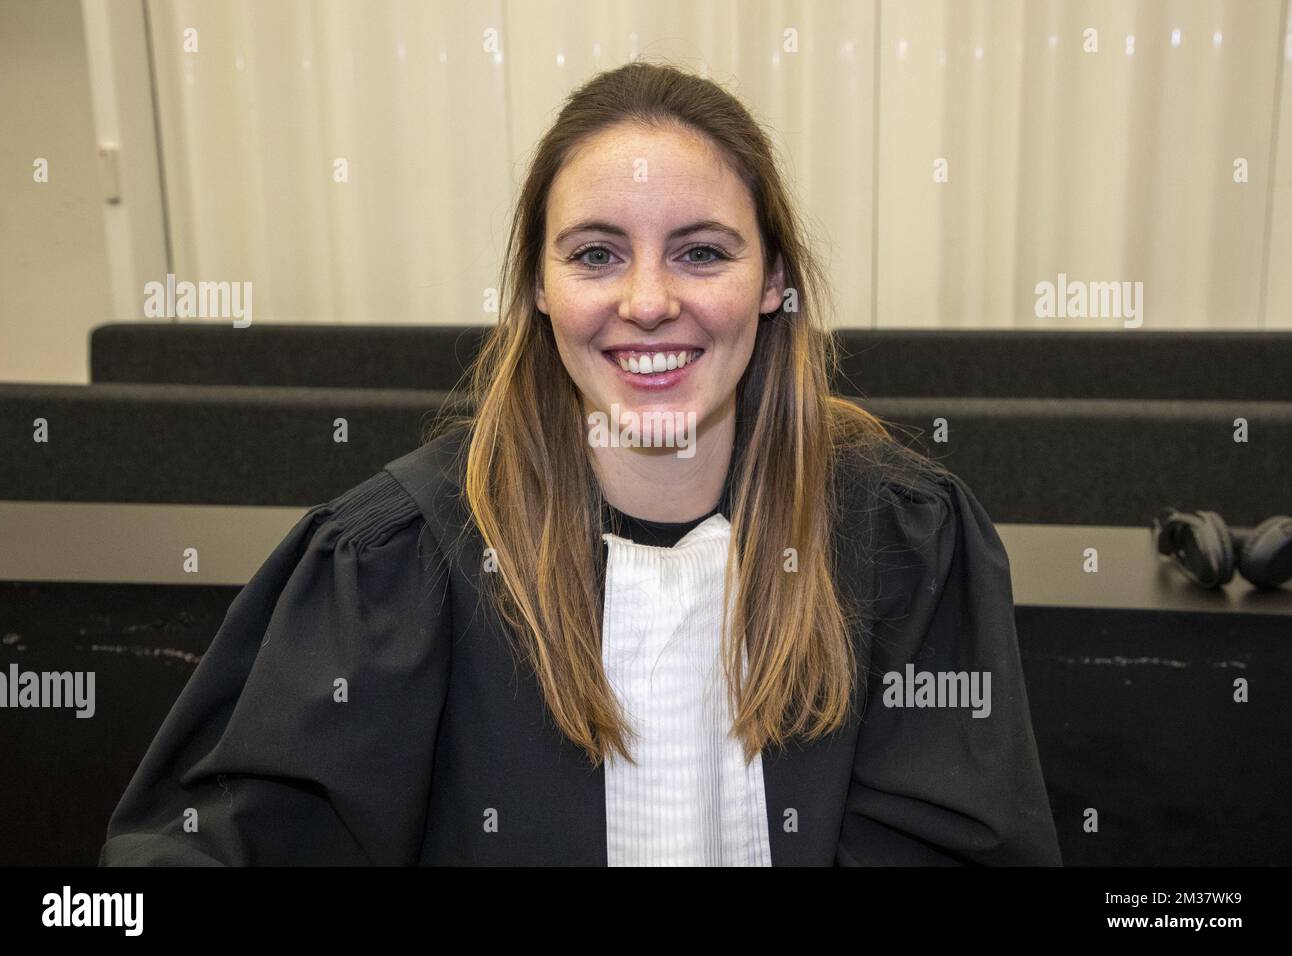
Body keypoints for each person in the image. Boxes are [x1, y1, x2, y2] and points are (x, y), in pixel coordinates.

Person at [99, 59, 1062, 866]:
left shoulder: (903, 543)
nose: (646, 302)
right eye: (597, 255)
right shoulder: (393, 565)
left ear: (773, 280)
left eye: (701, 252)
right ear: (538, 289)